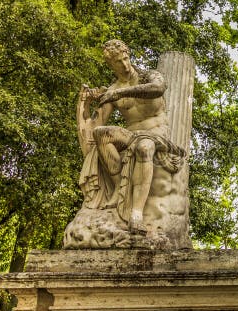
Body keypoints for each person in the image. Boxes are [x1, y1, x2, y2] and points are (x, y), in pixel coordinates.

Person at [77, 39, 185, 234]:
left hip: (156, 133)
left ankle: (136, 213)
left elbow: (158, 88)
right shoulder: (112, 90)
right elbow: (95, 125)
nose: (125, 65)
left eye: (126, 58)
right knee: (102, 134)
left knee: (144, 147)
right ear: (111, 65)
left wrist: (119, 93)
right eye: (119, 62)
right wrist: (84, 104)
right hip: (131, 133)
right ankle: (121, 190)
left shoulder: (148, 76)